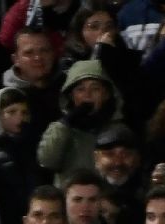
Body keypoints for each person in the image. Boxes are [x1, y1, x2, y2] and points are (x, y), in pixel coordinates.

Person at [37, 59, 124, 187]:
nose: (87, 95)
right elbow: (47, 160)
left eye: (95, 89)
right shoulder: (61, 129)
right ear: (71, 95)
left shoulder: (119, 131)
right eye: (80, 89)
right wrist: (65, 124)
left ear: (106, 94)